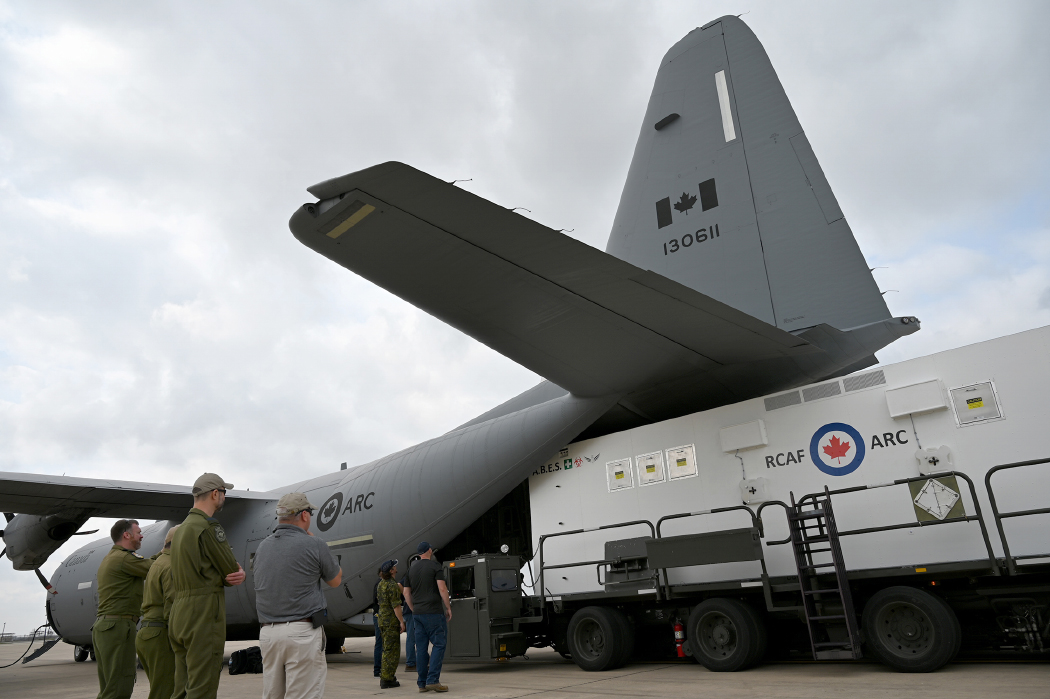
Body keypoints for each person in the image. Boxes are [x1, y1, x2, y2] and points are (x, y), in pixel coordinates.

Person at [253, 493, 342, 699]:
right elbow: (335, 580)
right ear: (304, 515)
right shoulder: (314, 544)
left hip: (268, 634)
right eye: (309, 513)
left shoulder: (262, 547)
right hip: (301, 632)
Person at [169, 473, 246, 699]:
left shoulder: (180, 530)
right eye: (223, 493)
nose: (224, 497)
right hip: (202, 612)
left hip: (178, 612)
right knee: (202, 687)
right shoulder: (208, 527)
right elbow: (231, 570)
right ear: (215, 494)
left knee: (181, 688)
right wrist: (234, 574)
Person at [92, 519, 159, 699]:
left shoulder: (111, 558)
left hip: (108, 627)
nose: (142, 535)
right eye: (138, 533)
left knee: (110, 688)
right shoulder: (123, 559)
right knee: (119, 686)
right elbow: (154, 569)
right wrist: (168, 551)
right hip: (118, 626)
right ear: (126, 535)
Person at [136, 525, 179, 699]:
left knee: (160, 688)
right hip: (160, 634)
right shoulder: (171, 566)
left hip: (148, 633)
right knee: (165, 691)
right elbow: (173, 605)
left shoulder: (158, 562)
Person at [403, 542, 451, 693]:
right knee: (439, 644)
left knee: (421, 649)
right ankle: (433, 680)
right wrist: (448, 607)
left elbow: (406, 593)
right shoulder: (435, 566)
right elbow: (442, 588)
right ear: (430, 551)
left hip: (418, 614)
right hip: (434, 612)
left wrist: (413, 609)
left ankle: (422, 683)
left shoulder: (411, 569)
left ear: (418, 554)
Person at [376, 559, 406, 689]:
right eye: (394, 566)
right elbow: (396, 606)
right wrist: (401, 621)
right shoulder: (392, 585)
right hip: (390, 621)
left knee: (386, 649)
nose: (396, 567)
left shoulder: (381, 584)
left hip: (382, 620)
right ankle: (387, 678)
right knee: (392, 651)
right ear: (391, 571)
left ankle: (387, 676)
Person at [400, 568, 416, 672]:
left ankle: (413, 662)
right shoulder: (411, 576)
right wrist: (407, 597)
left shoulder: (409, 575)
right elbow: (399, 585)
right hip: (412, 611)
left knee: (413, 637)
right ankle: (410, 663)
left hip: (411, 611)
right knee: (412, 637)